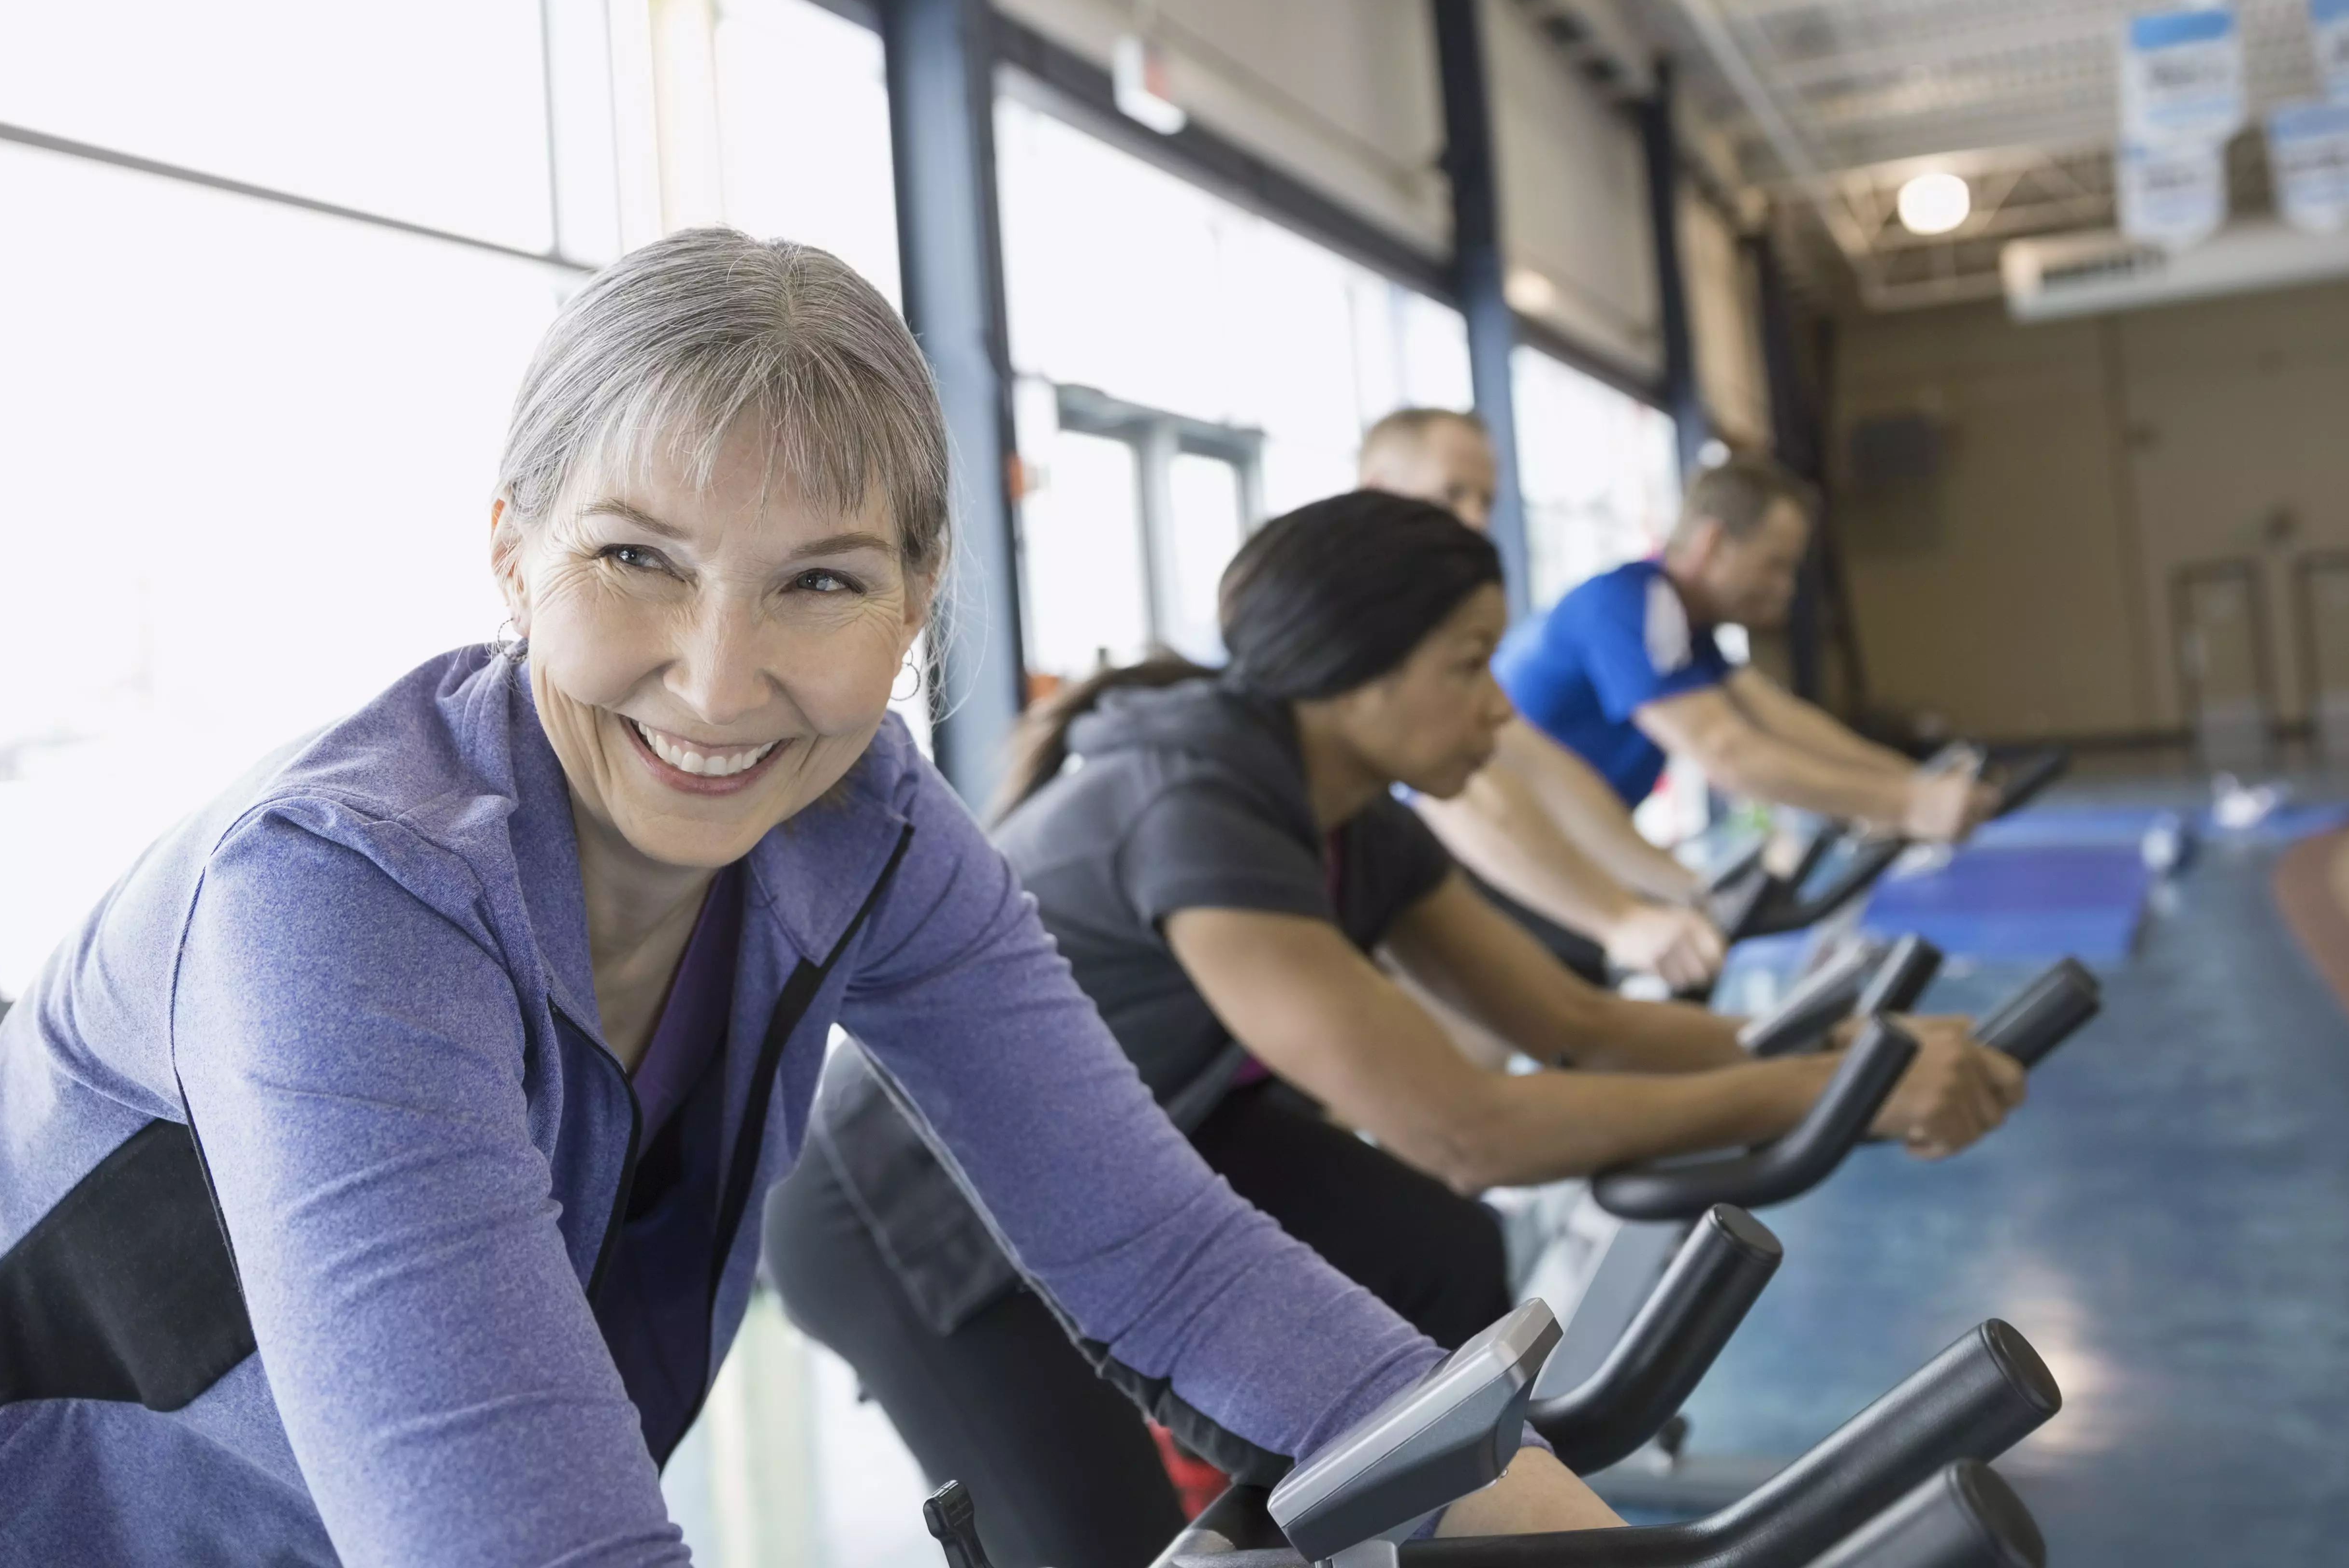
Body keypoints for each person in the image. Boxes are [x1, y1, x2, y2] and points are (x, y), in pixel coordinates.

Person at [0, 233, 1616, 1568]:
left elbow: (1160, 1251)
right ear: (510, 547)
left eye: (818, 583)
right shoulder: (336, 910)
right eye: (637, 558)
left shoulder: (863, 831)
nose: (720, 686)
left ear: (918, 594)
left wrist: (1526, 1503)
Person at [764, 490, 2024, 1568]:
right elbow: (1464, 1124)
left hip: (1142, 1152)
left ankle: (1373, 1518)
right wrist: (1816, 1092)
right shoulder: (1195, 805)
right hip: (913, 1226)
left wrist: (1855, 1059)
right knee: (1109, 1541)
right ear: (1353, 675)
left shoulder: (1352, 813)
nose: (1496, 708)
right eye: (1465, 664)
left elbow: (1573, 1020)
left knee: (1435, 1258)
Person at [1358, 408, 1723, 988]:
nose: (1474, 522)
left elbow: (1547, 772)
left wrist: (1684, 887)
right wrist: (1621, 919)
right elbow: (1466, 797)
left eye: (1485, 501)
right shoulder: (1356, 622)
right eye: (1450, 496)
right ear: (1376, 491)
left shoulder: (1432, 620)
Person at [1504, 452, 1997, 843]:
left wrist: (1914, 781)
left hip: (1567, 849)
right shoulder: (1629, 605)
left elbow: (1779, 719)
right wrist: (1904, 804)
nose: (1784, 589)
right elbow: (1725, 753)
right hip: (1511, 855)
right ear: (1713, 543)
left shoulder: (1686, 626)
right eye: (1774, 565)